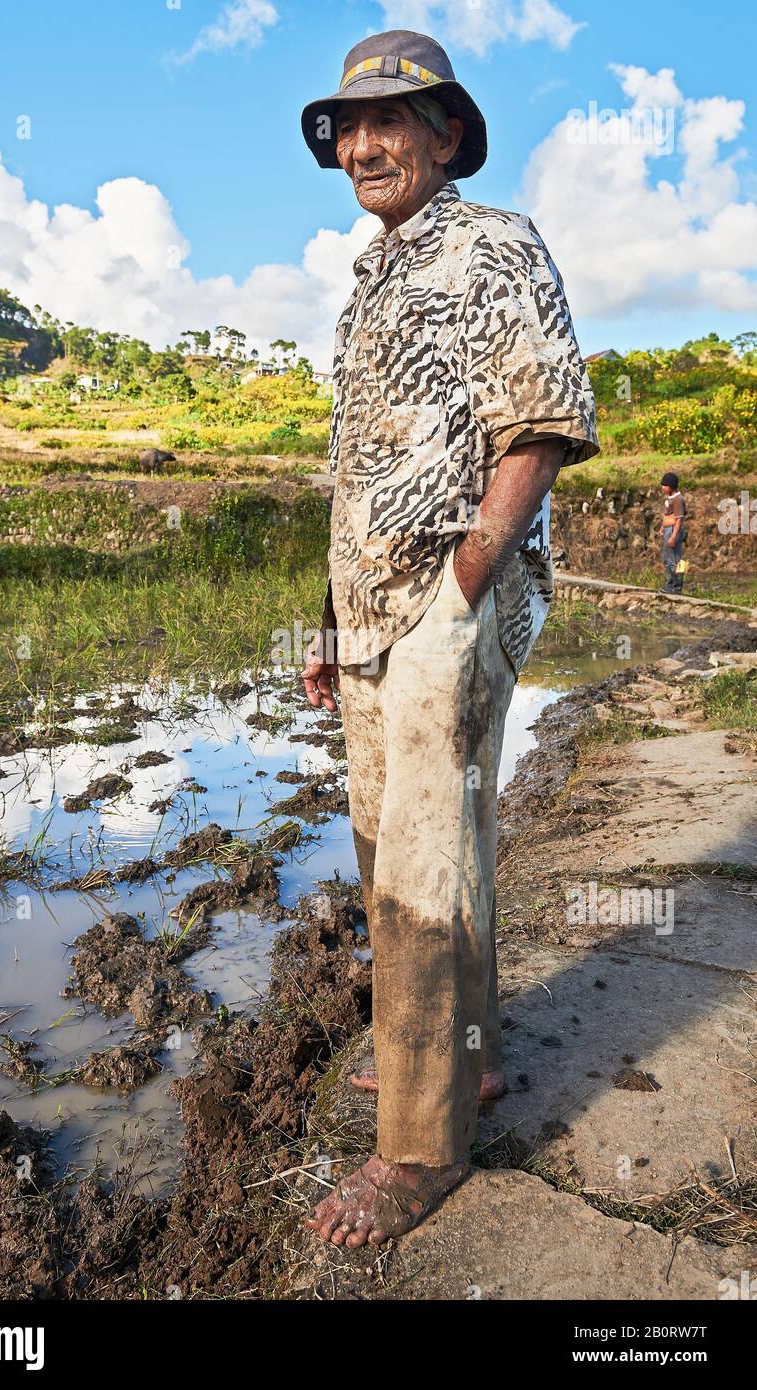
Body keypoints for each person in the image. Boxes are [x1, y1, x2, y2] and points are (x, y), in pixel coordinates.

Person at [299, 29, 598, 1247]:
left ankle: (419, 1148)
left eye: (390, 122)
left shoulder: (494, 243)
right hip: (368, 610)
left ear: (445, 137)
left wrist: (469, 574)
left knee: (423, 859)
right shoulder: (369, 280)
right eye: (347, 129)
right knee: (407, 841)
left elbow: (543, 414)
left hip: (445, 601)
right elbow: (353, 475)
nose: (363, 145)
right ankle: (458, 1056)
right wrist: (318, 630)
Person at [659, 471, 687, 593]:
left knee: (674, 559)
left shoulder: (678, 499)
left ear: (671, 486)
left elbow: (679, 519)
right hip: (668, 529)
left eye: (665, 485)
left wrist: (673, 536)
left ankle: (675, 587)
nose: (663, 488)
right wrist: (662, 527)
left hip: (673, 530)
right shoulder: (670, 498)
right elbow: (668, 515)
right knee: (667, 559)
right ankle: (670, 584)